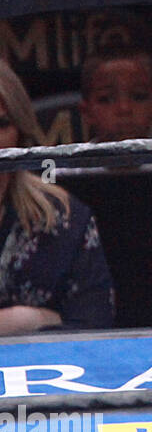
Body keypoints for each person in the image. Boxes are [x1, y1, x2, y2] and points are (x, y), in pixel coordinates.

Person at [0, 61, 114, 333]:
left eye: (1, 124)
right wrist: (25, 321)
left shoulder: (65, 219)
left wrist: (28, 323)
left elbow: (96, 330)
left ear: (20, 134)